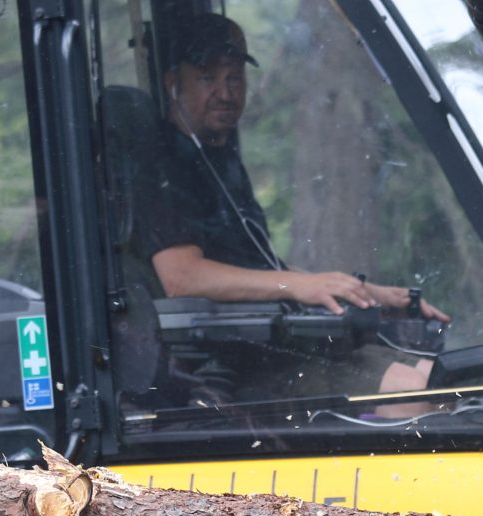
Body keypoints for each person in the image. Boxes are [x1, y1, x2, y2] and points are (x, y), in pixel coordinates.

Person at [139, 14, 447, 327]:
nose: (226, 93)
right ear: (173, 84)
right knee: (413, 375)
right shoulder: (164, 162)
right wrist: (297, 286)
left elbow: (260, 268)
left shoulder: (218, 159)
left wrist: (366, 292)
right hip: (224, 359)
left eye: (234, 78)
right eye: (208, 78)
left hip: (265, 335)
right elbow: (181, 277)